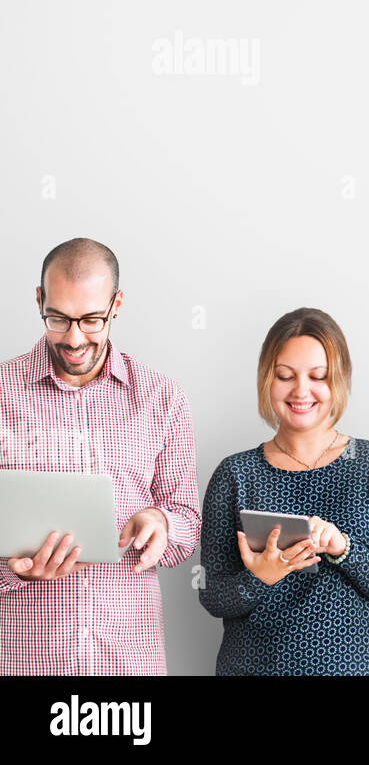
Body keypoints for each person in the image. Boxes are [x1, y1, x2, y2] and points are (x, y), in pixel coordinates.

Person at [0, 238, 199, 675]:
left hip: (131, 660)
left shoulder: (161, 398)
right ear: (39, 300)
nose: (74, 338)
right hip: (27, 660)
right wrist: (11, 571)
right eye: (57, 318)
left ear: (116, 305)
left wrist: (163, 523)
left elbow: (187, 522)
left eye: (91, 320)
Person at [198, 307, 369, 675]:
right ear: (267, 380)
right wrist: (260, 576)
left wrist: (343, 549)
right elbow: (212, 595)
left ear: (340, 380)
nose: (301, 390)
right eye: (285, 376)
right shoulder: (235, 474)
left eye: (318, 376)